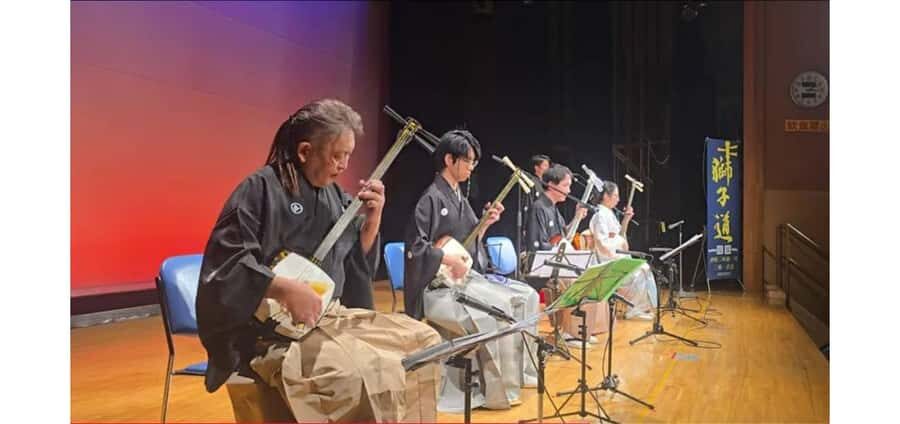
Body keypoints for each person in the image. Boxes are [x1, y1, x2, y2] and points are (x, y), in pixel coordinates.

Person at [196, 99, 442, 422]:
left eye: (349, 156)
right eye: (337, 155)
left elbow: (355, 260)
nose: (344, 165)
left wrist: (373, 217)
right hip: (273, 333)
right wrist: (281, 288)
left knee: (424, 343)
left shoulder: (335, 197)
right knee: (362, 371)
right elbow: (226, 264)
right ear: (304, 152)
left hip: (331, 316)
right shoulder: (259, 190)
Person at [403, 130, 540, 412]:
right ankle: (496, 393)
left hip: (459, 280)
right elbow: (415, 248)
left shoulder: (459, 197)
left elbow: (468, 241)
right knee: (496, 309)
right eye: (467, 161)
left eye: (474, 162)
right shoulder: (430, 198)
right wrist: (446, 258)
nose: (471, 168)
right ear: (449, 159)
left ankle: (521, 376)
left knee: (523, 297)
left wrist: (486, 223)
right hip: (436, 287)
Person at [524, 164, 609, 348]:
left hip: (557, 261)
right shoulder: (538, 207)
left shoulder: (554, 208)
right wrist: (560, 247)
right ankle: (570, 333)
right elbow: (537, 245)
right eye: (565, 185)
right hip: (541, 265)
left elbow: (565, 236)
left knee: (589, 275)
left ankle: (584, 331)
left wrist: (577, 217)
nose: (569, 190)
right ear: (551, 185)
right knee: (574, 280)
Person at [588, 180, 658, 320]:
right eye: (616, 195)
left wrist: (626, 219)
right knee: (641, 270)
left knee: (643, 267)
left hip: (616, 258)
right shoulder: (600, 215)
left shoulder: (609, 213)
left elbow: (620, 236)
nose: (618, 199)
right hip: (607, 262)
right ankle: (635, 309)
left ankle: (638, 307)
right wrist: (619, 241)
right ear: (606, 196)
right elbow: (603, 245)